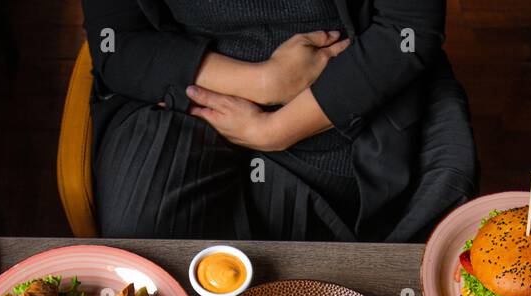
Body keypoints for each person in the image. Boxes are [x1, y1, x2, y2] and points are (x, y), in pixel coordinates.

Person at [82, 0, 478, 242]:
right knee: (150, 245)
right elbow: (117, 42)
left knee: (361, 276)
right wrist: (265, 82)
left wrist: (275, 130)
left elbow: (407, 31)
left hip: (345, 89)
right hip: (190, 90)